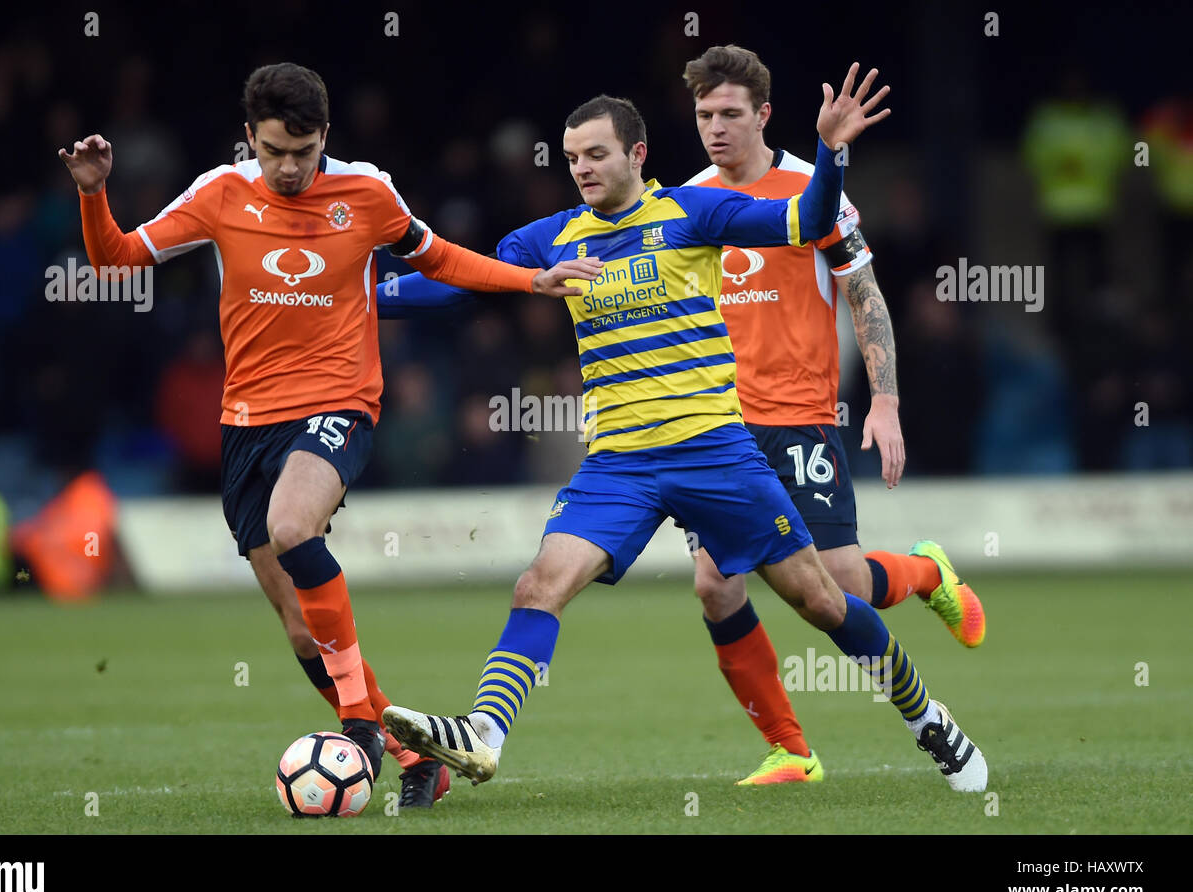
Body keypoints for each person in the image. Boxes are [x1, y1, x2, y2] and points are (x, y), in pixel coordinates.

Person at [378, 65, 989, 793]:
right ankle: (484, 733)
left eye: (596, 155)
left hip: (716, 454)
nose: (581, 170)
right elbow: (455, 284)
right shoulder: (552, 238)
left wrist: (830, 153)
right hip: (621, 464)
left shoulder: (695, 213)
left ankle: (929, 720)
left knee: (827, 599)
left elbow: (808, 220)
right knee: (538, 584)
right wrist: (359, 296)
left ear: (637, 155)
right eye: (571, 158)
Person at [57, 62, 600, 807]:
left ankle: (356, 720)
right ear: (249, 138)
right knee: (299, 631)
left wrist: (527, 281)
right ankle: (417, 756)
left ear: (325, 139)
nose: (289, 167)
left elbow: (436, 255)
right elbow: (113, 259)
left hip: (339, 401)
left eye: (303, 152)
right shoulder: (219, 193)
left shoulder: (367, 193)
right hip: (246, 421)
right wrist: (94, 195)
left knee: (292, 524)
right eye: (275, 150)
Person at [679, 45, 985, 786]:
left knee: (840, 590)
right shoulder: (686, 200)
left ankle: (923, 571)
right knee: (716, 584)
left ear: (764, 115)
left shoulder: (813, 192)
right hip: (721, 428)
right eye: (703, 114)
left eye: (729, 114)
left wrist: (885, 401)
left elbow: (865, 294)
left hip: (800, 419)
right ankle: (791, 748)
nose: (715, 129)